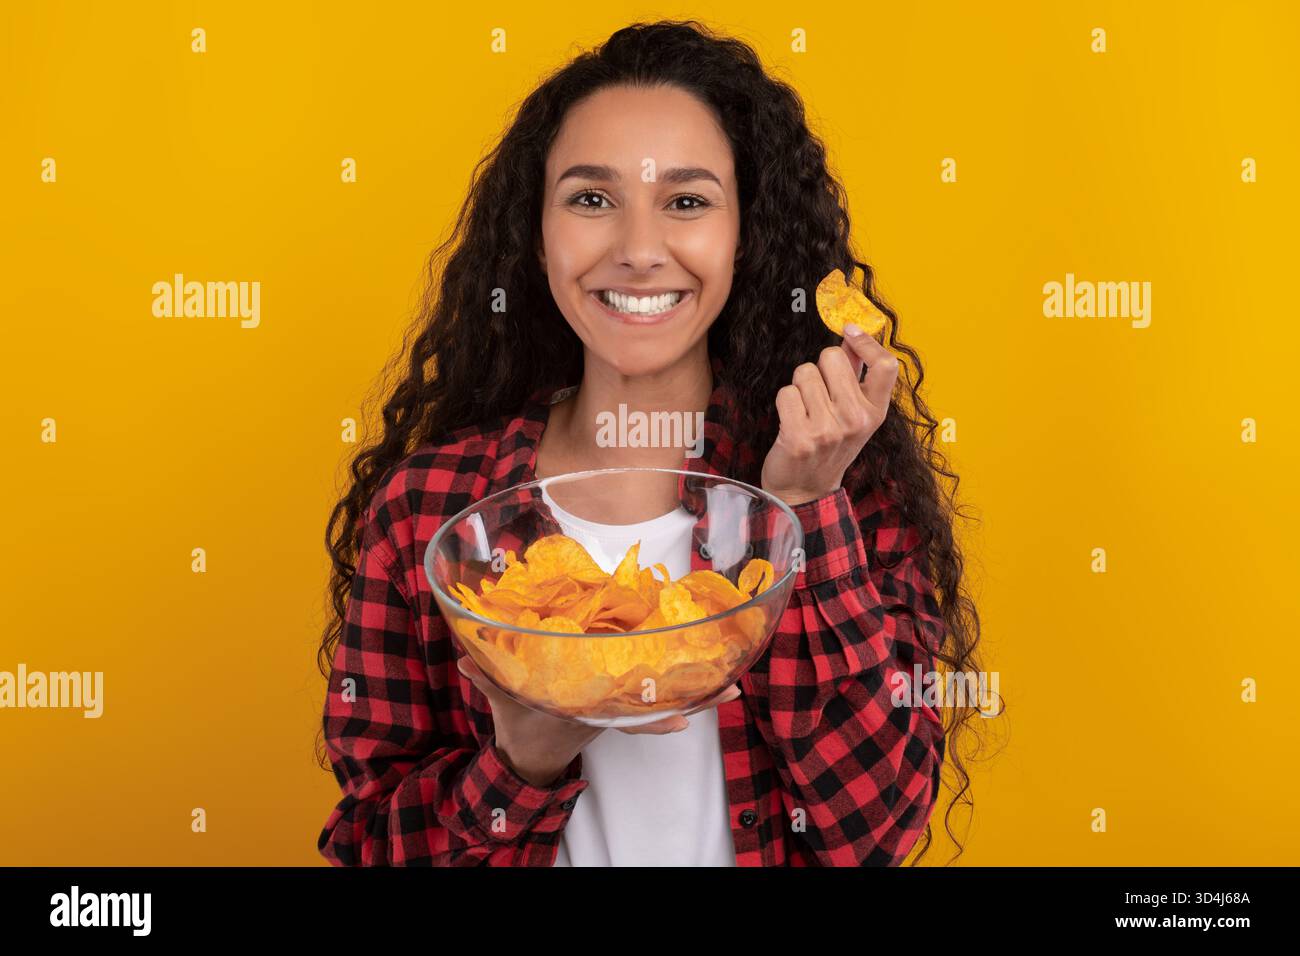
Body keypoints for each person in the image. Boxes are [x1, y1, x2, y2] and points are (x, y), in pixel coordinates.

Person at [315, 19, 987, 866]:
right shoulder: (431, 512)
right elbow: (372, 849)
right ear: (537, 232)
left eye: (688, 201)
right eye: (592, 199)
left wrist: (806, 504)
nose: (638, 251)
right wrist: (524, 758)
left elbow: (877, 831)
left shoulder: (842, 478)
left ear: (745, 237)